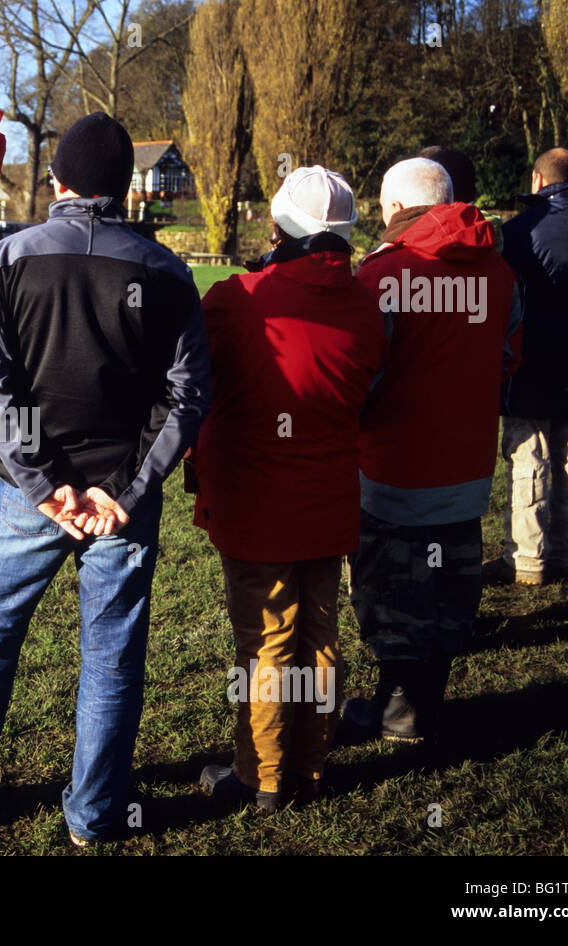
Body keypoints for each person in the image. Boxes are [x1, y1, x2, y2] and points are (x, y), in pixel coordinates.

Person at [0, 112, 211, 847]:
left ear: (60, 182)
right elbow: (188, 395)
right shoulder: (165, 270)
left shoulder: (12, 255)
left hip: (38, 497)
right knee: (111, 658)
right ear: (125, 190)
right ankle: (94, 814)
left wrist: (43, 486)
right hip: (112, 501)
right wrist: (124, 492)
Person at [190, 165, 386, 812]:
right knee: (320, 634)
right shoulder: (366, 304)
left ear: (277, 228)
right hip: (329, 493)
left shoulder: (236, 298)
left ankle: (263, 776)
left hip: (258, 499)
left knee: (268, 639)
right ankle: (309, 764)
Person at [344, 157, 521, 745]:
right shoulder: (499, 272)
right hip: (467, 464)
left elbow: (361, 373)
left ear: (395, 207)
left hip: (394, 466)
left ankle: (398, 709)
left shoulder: (384, 273)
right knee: (449, 587)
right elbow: (507, 358)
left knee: (392, 589)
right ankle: (423, 702)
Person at [488, 148, 568, 585]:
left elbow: (506, 294)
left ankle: (528, 558)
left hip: (533, 357)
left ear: (538, 181)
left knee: (530, 455)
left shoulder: (522, 230)